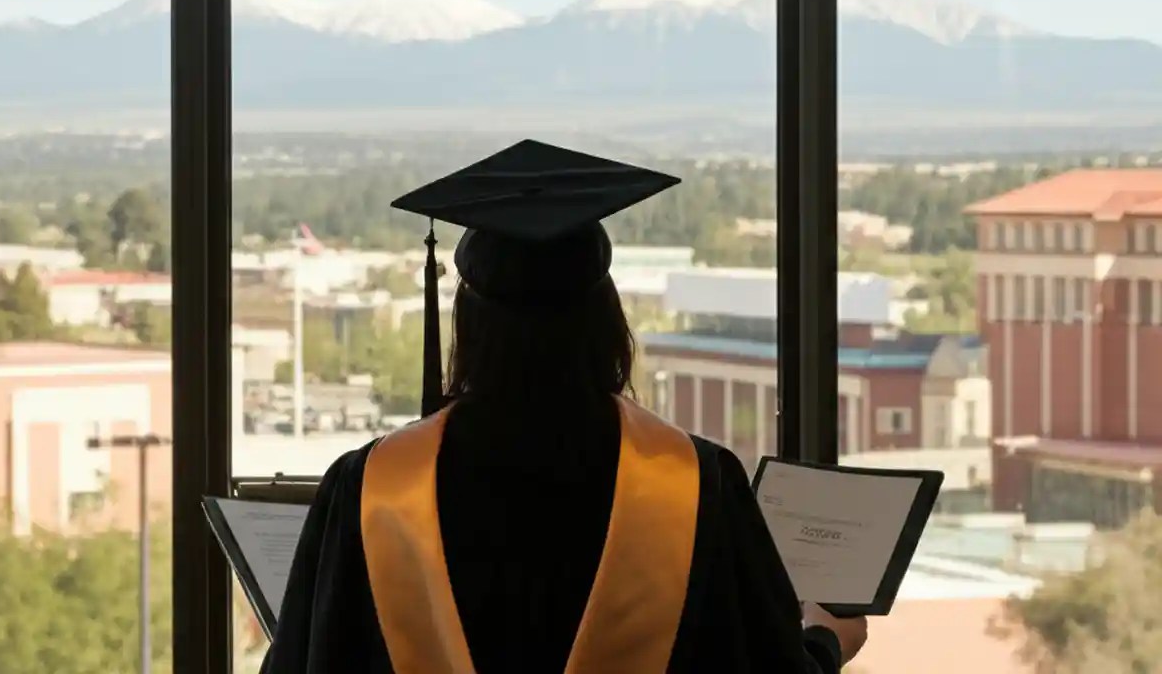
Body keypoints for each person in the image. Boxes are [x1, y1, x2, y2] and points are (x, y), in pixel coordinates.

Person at [260, 140, 868, 673]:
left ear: (467, 326)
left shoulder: (373, 489)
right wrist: (824, 643)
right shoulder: (694, 484)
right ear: (606, 322)